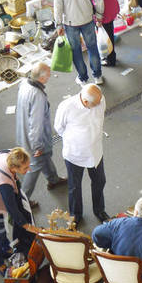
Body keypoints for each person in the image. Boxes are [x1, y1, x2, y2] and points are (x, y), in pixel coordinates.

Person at [53, 84, 107, 225]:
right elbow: (59, 128)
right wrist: (76, 139)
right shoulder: (66, 107)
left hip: (95, 152)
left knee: (99, 181)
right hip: (75, 155)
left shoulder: (100, 100)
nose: (99, 105)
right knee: (75, 186)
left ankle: (99, 210)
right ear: (85, 102)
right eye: (95, 104)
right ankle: (75, 215)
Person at [53, 0, 105, 86]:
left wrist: (58, 25)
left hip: (70, 23)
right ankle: (98, 76)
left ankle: (83, 77)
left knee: (76, 50)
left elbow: (58, 7)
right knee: (92, 47)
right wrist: (99, 15)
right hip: (88, 19)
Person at [16, 62, 63, 199]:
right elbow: (36, 124)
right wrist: (38, 146)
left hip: (22, 133)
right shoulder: (38, 96)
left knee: (45, 157)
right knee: (34, 167)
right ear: (42, 78)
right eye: (48, 75)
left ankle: (53, 179)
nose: (49, 77)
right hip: (34, 141)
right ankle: (23, 201)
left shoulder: (24, 84)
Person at [92, 197, 142, 263]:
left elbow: (96, 234)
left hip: (114, 268)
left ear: (136, 212)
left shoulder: (119, 223)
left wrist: (112, 243)